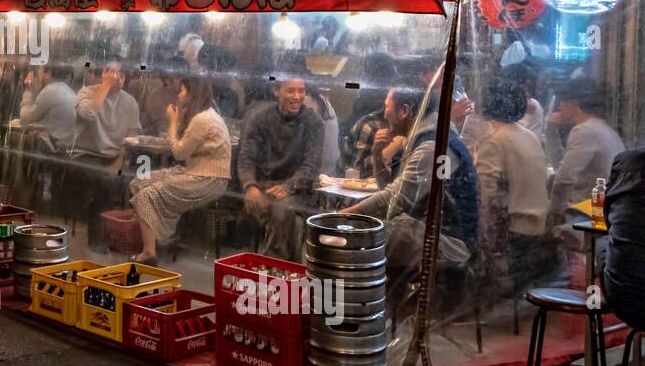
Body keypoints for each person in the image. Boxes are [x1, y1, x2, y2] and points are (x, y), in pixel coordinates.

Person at [343, 87, 478, 298]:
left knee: (354, 238)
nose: (384, 112)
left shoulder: (432, 146)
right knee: (363, 232)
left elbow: (396, 198)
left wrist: (347, 215)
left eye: (387, 106)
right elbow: (398, 195)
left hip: (449, 242)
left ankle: (356, 308)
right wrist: (378, 155)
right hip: (426, 231)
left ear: (404, 111)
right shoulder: (424, 138)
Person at [130, 77, 231, 262]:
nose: (179, 94)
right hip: (196, 173)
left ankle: (149, 252)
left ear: (193, 95)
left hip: (208, 181)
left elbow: (178, 152)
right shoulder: (202, 115)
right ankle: (160, 238)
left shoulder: (203, 119)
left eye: (183, 91)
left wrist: (173, 122)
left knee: (145, 196)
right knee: (140, 181)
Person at [474, 79, 555, 286]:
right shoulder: (529, 136)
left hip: (515, 234)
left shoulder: (495, 141)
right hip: (539, 228)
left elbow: (487, 196)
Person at [237, 74, 323, 259]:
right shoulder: (260, 119)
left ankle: (274, 266)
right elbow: (246, 157)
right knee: (265, 207)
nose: (297, 96)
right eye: (290, 90)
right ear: (277, 91)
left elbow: (312, 164)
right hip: (265, 186)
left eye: (301, 91)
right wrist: (250, 186)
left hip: (300, 191)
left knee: (283, 211)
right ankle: (281, 269)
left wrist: (289, 186)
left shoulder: (313, 121)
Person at [71, 59, 141, 251]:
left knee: (132, 180)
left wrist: (118, 163)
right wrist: (105, 86)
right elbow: (88, 115)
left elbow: (132, 137)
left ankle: (118, 236)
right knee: (104, 182)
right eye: (109, 72)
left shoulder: (130, 102)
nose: (116, 77)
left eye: (120, 74)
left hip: (114, 156)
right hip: (84, 154)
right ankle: (98, 240)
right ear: (101, 74)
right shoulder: (87, 92)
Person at [547, 80, 624, 221]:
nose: (559, 107)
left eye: (563, 102)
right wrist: (551, 132)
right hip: (603, 209)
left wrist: (554, 212)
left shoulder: (585, 131)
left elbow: (564, 178)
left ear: (575, 104)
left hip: (588, 213)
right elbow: (561, 169)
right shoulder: (601, 128)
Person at [604, 147, 645, 328]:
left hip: (624, 295)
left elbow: (609, 221)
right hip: (632, 297)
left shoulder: (628, 160)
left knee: (603, 244)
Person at [17, 64, 77, 152]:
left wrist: (28, 91)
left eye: (40, 69)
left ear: (48, 73)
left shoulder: (50, 91)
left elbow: (24, 120)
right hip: (63, 145)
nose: (37, 73)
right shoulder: (65, 90)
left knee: (11, 137)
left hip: (54, 148)